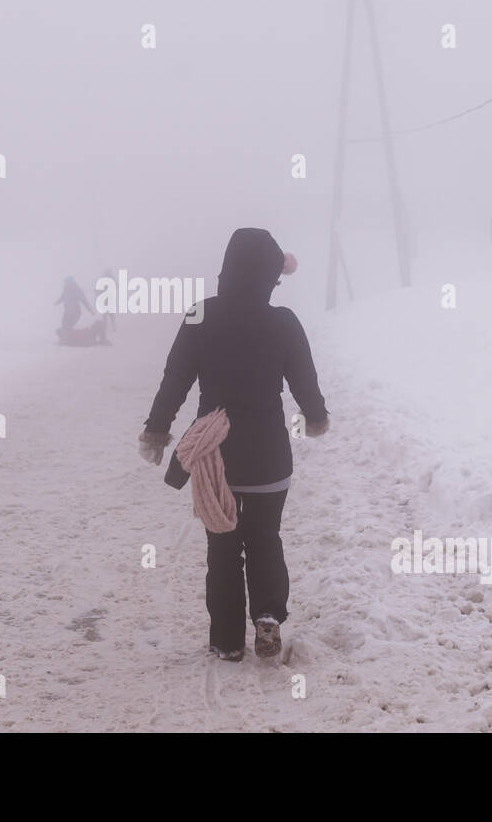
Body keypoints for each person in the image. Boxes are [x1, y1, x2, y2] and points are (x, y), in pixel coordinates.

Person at [139, 228, 328, 662]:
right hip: (268, 458)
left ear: (226, 270)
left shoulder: (200, 316)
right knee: (265, 538)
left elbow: (175, 381)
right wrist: (315, 417)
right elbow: (305, 381)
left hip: (215, 459)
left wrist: (157, 430)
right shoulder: (284, 322)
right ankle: (267, 616)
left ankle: (225, 641)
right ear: (269, 276)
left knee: (222, 548)